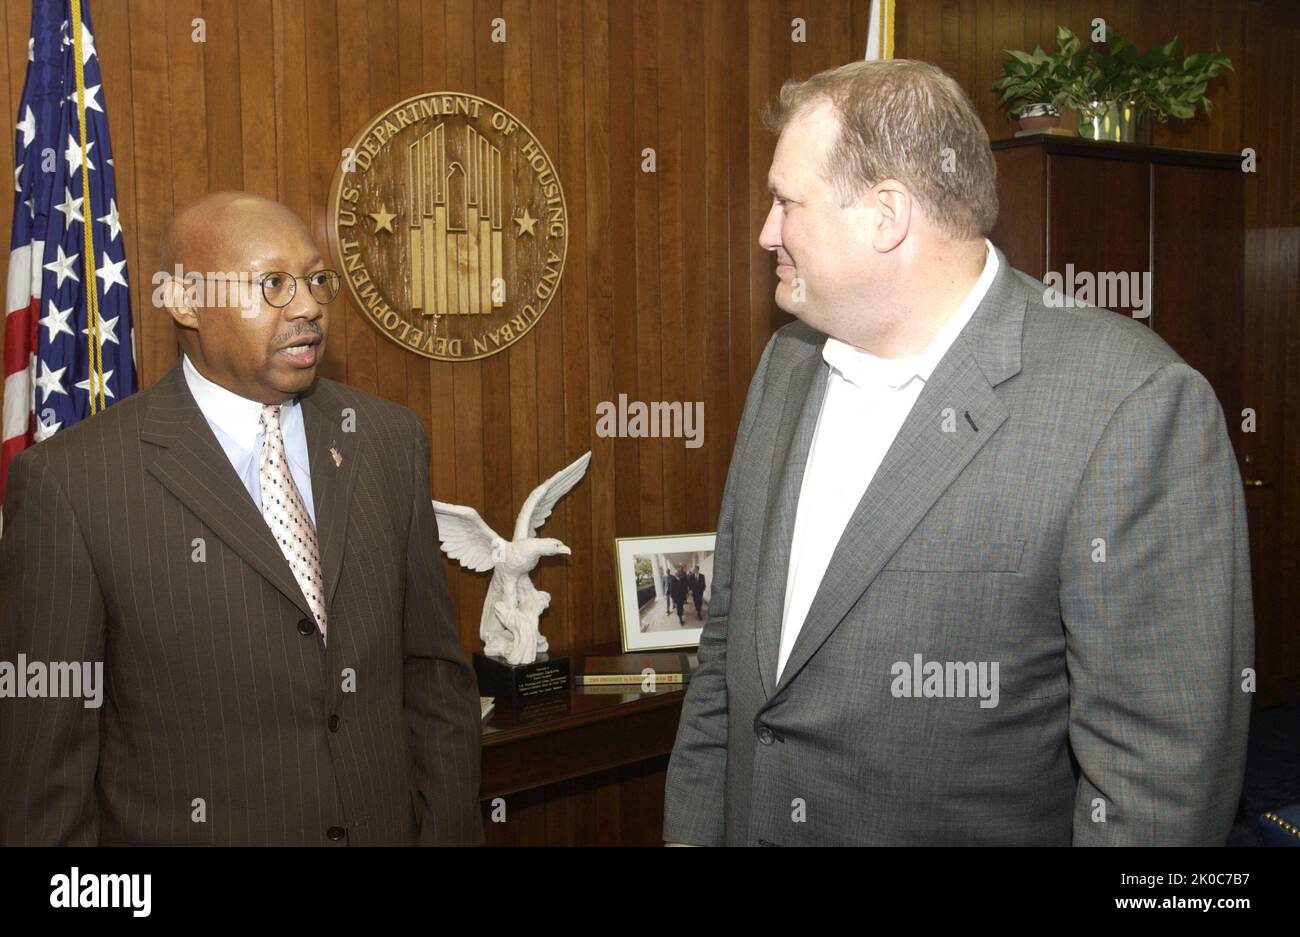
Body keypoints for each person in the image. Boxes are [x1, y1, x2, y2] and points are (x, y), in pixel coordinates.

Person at [663, 60, 1253, 846]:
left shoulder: (1129, 404)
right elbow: (728, 649)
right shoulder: (788, 365)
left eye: (785, 201)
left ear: (886, 215)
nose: (767, 231)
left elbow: (1163, 781)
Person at [0, 192, 483, 846]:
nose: (308, 306)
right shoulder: (73, 484)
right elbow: (46, 786)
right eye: (272, 284)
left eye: (315, 280)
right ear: (183, 299)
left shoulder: (389, 440)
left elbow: (435, 679)